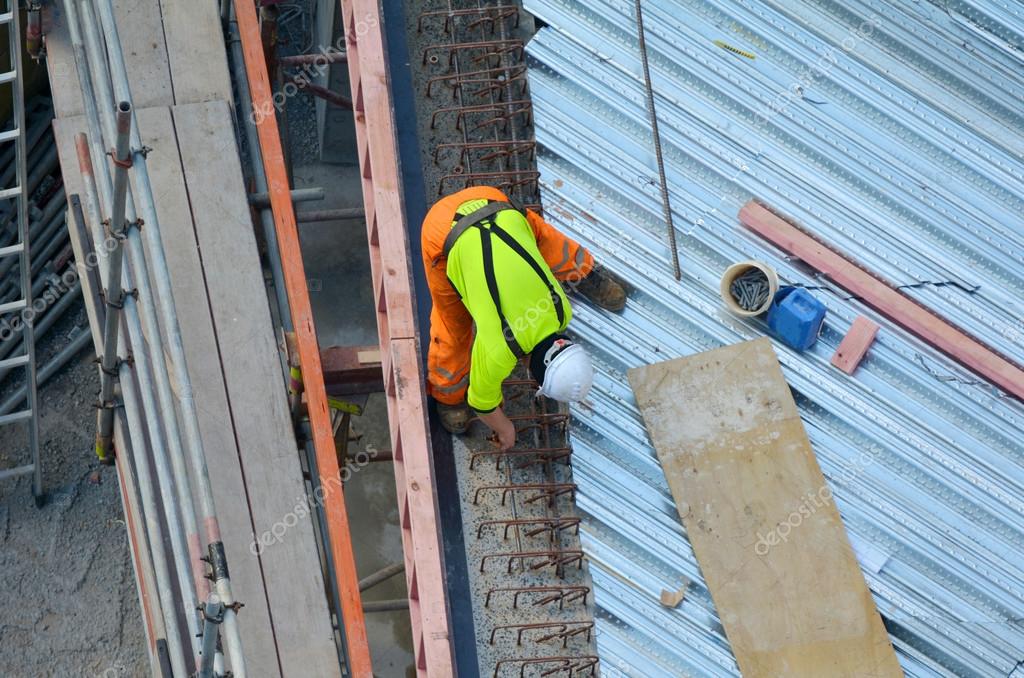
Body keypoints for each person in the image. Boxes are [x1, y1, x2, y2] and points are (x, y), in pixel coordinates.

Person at [421, 186, 626, 450]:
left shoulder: (562, 310)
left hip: (492, 201)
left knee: (540, 237)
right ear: (535, 375)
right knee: (453, 323)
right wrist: (505, 429)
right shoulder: (499, 350)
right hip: (442, 232)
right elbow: (482, 403)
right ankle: (448, 396)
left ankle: (583, 273)